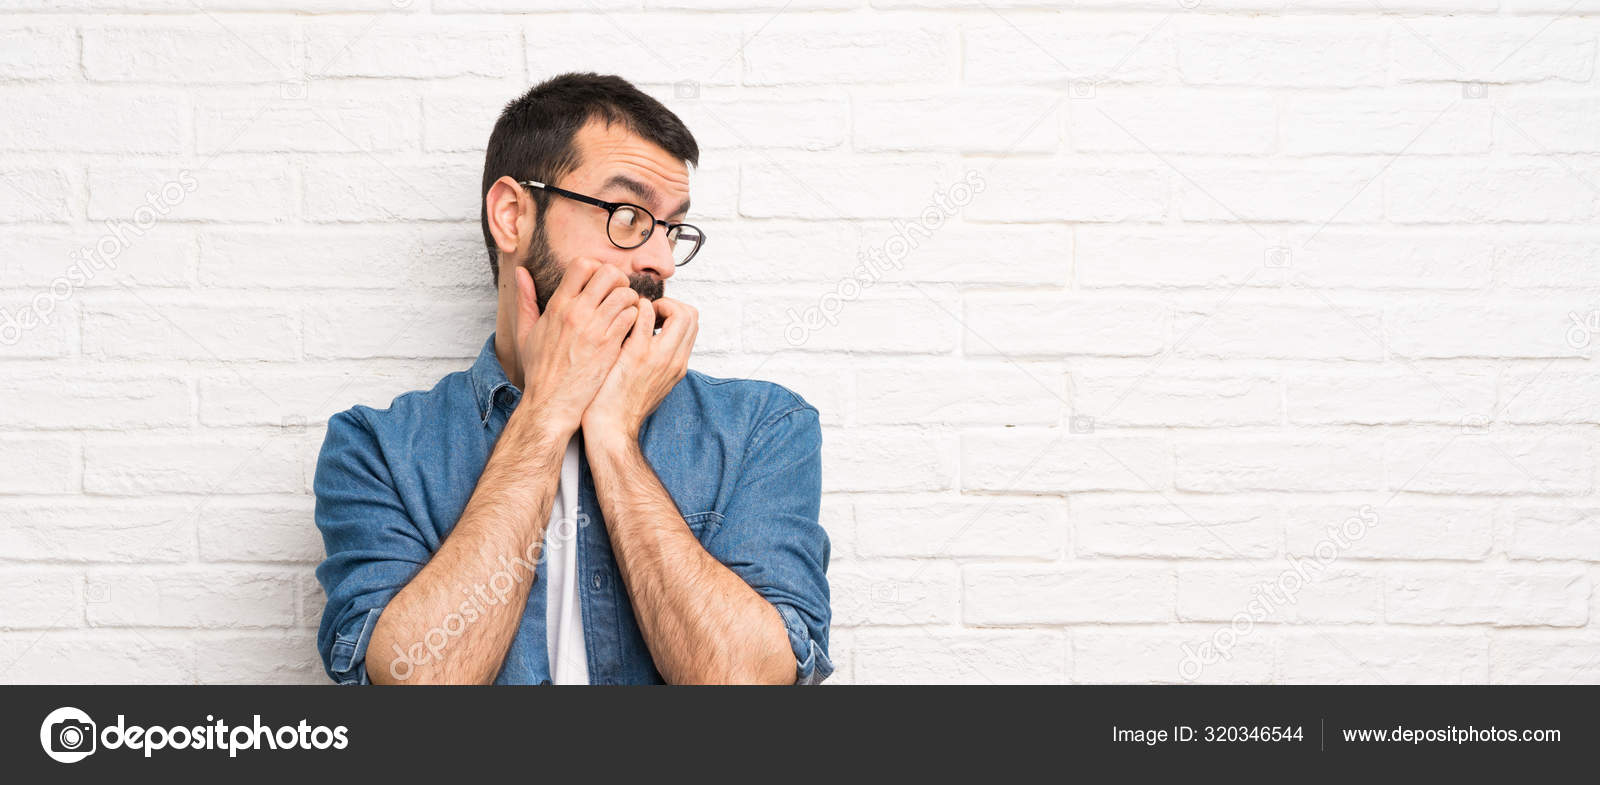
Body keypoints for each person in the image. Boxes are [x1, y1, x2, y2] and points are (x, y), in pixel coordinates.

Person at [311, 72, 833, 685]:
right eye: (628, 214)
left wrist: (613, 436)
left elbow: (745, 684)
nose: (660, 261)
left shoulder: (763, 430)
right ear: (512, 217)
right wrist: (545, 413)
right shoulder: (377, 449)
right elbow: (417, 682)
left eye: (671, 229)